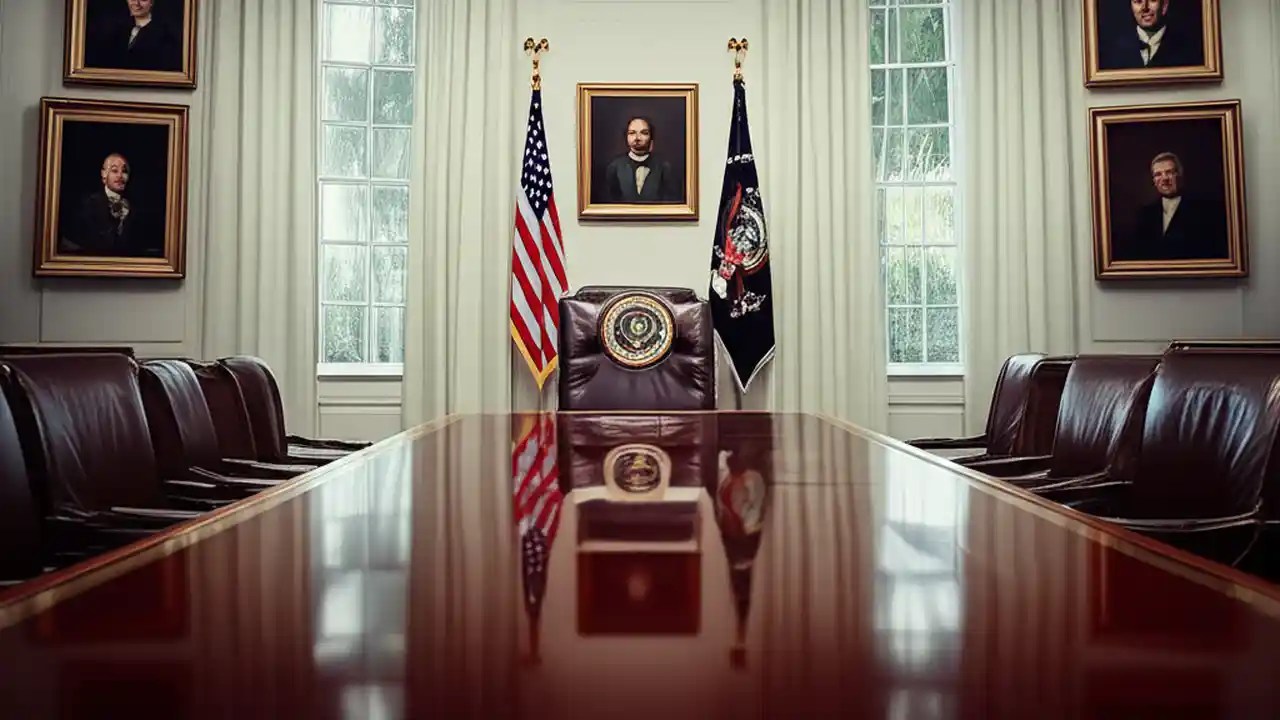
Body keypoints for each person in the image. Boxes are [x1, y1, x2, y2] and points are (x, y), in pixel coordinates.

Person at [1118, 151, 1227, 262]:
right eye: (1158, 174)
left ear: (1180, 175)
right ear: (1154, 181)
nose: (1164, 178)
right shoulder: (1145, 214)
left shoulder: (1203, 211)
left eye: (1169, 172)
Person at [60, 152, 159, 257]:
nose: (120, 176)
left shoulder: (135, 208)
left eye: (124, 171)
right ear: (104, 174)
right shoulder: (87, 205)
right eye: (114, 171)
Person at [1099, 0, 1204, 70]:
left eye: (1152, 0)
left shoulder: (1189, 50)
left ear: (1164, 5)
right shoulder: (1115, 52)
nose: (1145, 7)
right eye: (1138, 1)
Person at [85, 0, 183, 72]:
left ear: (151, 2)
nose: (136, 3)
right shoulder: (118, 31)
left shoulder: (164, 35)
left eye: (143, 0)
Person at [603, 116, 682, 203]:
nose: (637, 138)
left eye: (644, 133)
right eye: (632, 133)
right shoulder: (614, 167)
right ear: (626, 137)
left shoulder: (664, 167)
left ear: (651, 138)